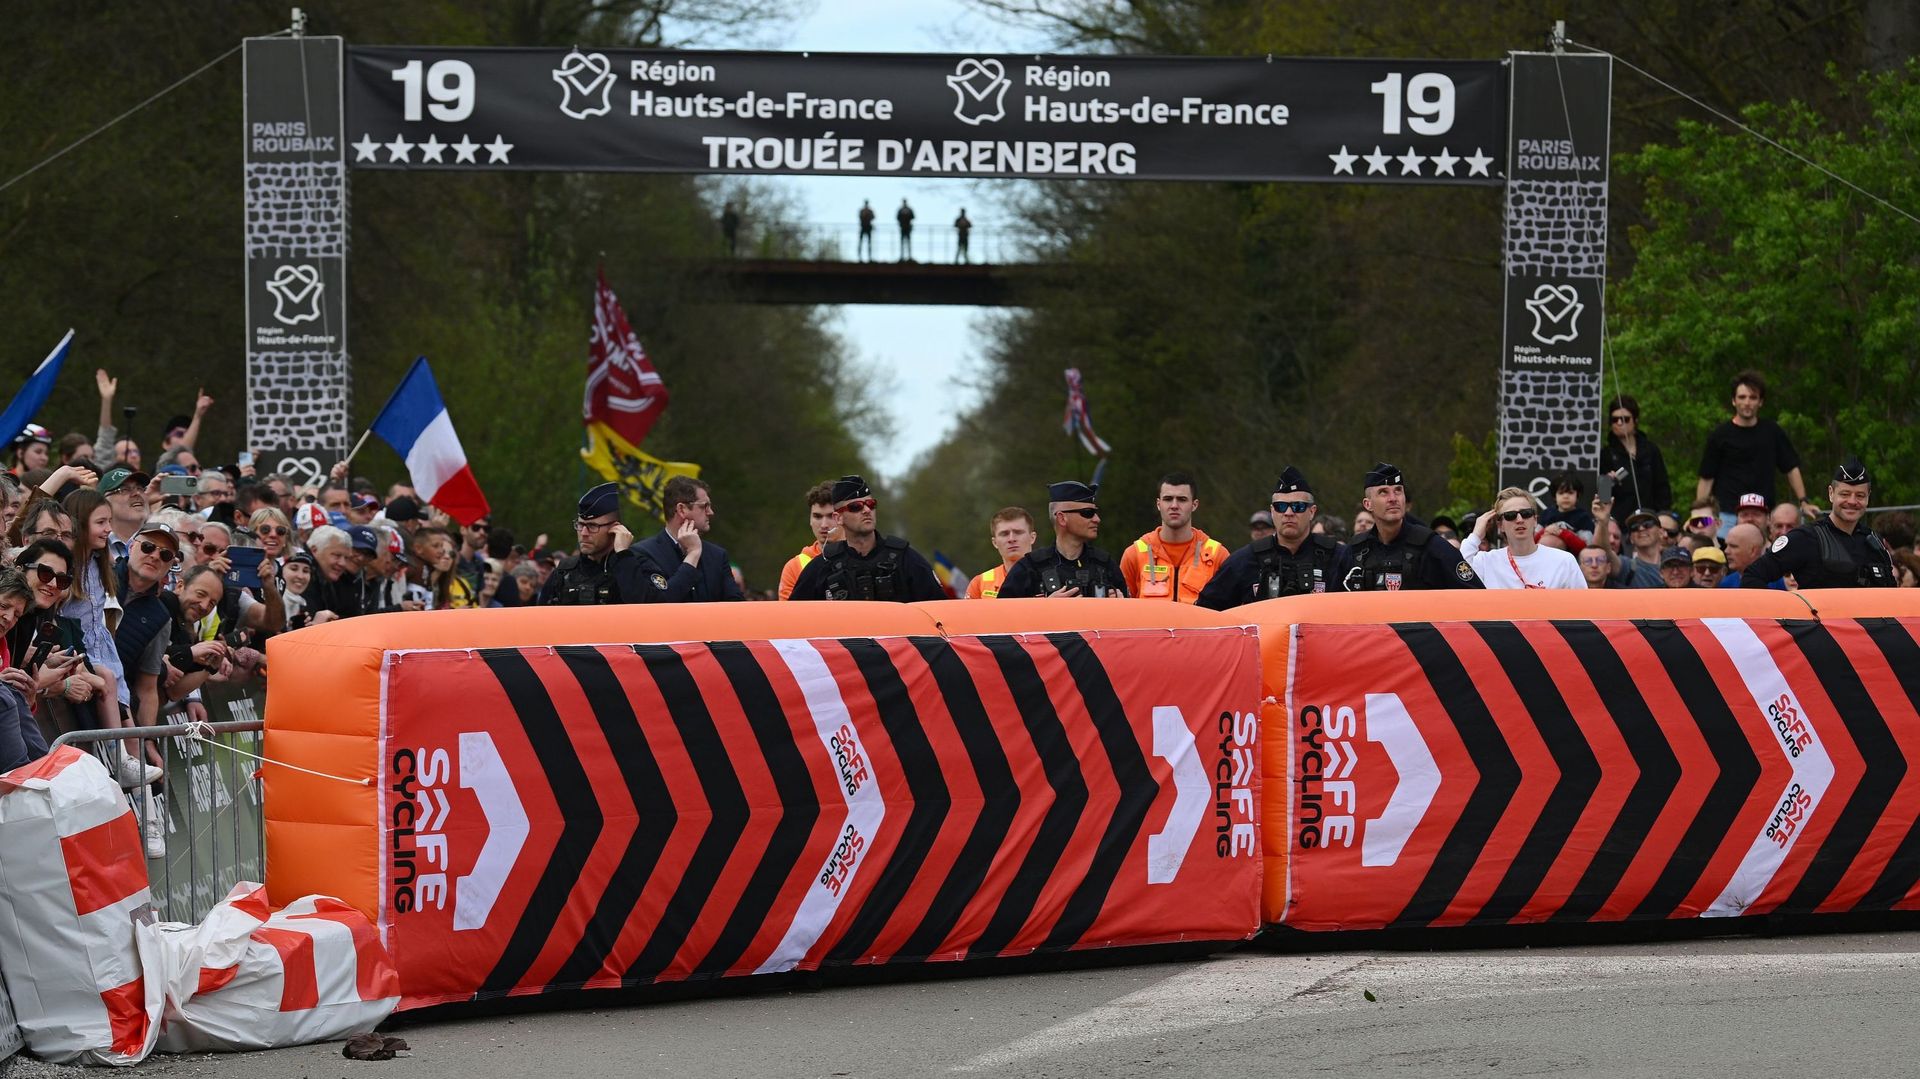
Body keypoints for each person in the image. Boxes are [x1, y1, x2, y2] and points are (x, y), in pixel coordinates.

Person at [1198, 467, 1350, 609]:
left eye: (1298, 506)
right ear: (1272, 511)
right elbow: (1207, 610)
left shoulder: (1338, 557)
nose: (1289, 513)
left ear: (1312, 512)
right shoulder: (1246, 560)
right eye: (1281, 506)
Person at [1741, 458, 1896, 589]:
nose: (1852, 501)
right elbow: (1753, 576)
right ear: (1831, 493)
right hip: (1818, 625)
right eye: (1845, 494)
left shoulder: (1874, 543)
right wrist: (1784, 615)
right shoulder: (1805, 539)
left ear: (1868, 497)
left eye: (1860, 495)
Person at [788, 476, 944, 602]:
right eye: (856, 507)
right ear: (838, 518)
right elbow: (794, 622)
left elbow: (939, 614)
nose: (866, 510)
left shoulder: (906, 559)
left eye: (870, 504)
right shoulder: (823, 566)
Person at [1342, 463, 1480, 591]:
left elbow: (1475, 596)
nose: (1393, 498)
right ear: (1368, 504)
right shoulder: (1357, 550)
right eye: (1383, 492)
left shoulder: (1431, 546)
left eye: (1398, 491)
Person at [1697, 369, 1814, 517]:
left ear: (1760, 402)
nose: (1747, 402)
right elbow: (1706, 478)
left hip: (1764, 513)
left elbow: (1791, 468)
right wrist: (1699, 515)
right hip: (1727, 515)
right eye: (1742, 397)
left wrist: (1803, 501)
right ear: (1734, 400)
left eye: (1753, 397)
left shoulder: (1772, 432)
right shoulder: (1719, 435)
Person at [995, 481, 1128, 599]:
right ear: (1062, 518)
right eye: (1087, 513)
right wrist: (1046, 609)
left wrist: (1120, 605)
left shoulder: (1105, 565)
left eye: (1096, 513)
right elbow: (1003, 618)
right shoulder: (1029, 568)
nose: (1096, 519)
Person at [632, 476, 744, 602]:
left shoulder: (717, 555)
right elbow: (660, 603)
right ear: (682, 509)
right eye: (704, 506)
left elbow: (737, 606)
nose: (711, 512)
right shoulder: (643, 553)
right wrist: (693, 555)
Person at [1119, 472, 1226, 603]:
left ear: (1194, 505)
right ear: (1158, 504)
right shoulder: (1134, 554)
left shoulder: (1217, 555)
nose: (1174, 505)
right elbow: (1122, 610)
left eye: (1182, 499)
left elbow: (1232, 611)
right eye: (1168, 499)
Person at [537, 483, 646, 605]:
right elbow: (539, 616)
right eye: (580, 525)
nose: (583, 533)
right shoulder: (565, 570)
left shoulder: (635, 565)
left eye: (592, 526)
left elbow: (648, 609)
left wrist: (623, 557)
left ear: (615, 528)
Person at [1459, 488, 1586, 589]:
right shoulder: (1485, 562)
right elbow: (1459, 572)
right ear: (1500, 525)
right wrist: (1475, 536)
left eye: (1526, 514)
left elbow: (1582, 608)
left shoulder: (1564, 561)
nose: (1519, 520)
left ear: (1535, 520)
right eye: (1510, 515)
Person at [0, 567, 50, 772]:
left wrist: (29, 699)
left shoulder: (3, 646)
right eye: (4, 606)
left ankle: (43, 774)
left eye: (17, 615)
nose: (9, 618)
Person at [1600, 394, 1672, 515]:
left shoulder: (1651, 450)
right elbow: (1602, 498)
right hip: (1621, 523)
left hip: (1651, 519)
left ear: (1635, 420)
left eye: (1625, 419)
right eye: (1614, 419)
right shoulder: (1605, 454)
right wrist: (1607, 482)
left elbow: (1663, 488)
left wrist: (1663, 515)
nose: (1619, 423)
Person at [778, 482, 839, 601]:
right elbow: (787, 616)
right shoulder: (794, 567)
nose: (824, 525)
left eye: (830, 516)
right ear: (810, 520)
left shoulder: (861, 557)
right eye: (817, 516)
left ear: (842, 518)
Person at [967, 507, 1036, 599]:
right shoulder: (980, 583)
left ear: (1032, 537)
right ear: (994, 542)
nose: (1011, 539)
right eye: (1004, 534)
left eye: (1018, 532)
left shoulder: (1052, 575)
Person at [1615, 508, 1667, 588]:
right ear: (1631, 538)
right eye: (1634, 527)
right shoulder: (1626, 566)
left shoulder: (1675, 563)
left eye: (1647, 524)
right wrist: (1602, 521)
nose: (1641, 528)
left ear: (1661, 532)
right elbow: (1604, 553)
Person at [1720, 522, 1778, 589]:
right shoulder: (1725, 584)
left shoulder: (1779, 584)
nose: (1726, 551)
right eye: (1727, 545)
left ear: (1753, 551)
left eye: (1733, 546)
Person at [1538, 472, 1596, 539]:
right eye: (1561, 493)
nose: (1565, 496)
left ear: (1578, 496)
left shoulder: (1583, 517)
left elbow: (1588, 542)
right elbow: (1535, 537)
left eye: (1570, 493)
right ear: (1554, 496)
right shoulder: (1546, 514)